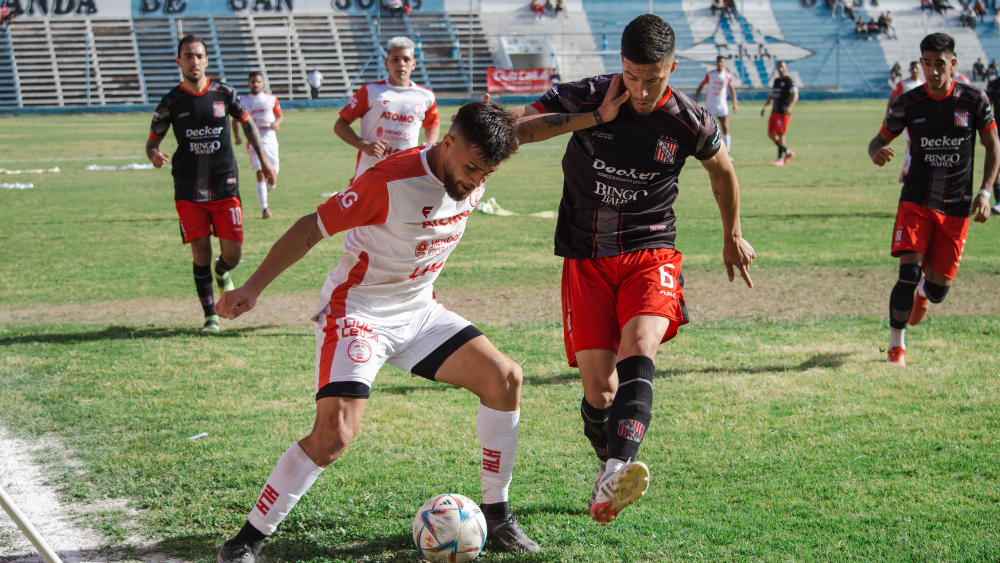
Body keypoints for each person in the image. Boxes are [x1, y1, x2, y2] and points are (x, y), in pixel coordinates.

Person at [213, 100, 540, 562]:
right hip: (358, 311)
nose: (475, 182)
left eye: (487, 173)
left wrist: (602, 114)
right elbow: (311, 228)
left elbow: (534, 126)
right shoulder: (389, 181)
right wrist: (252, 287)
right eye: (471, 168)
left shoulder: (474, 165)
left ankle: (499, 515)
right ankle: (246, 540)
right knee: (334, 437)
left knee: (505, 377)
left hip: (420, 311)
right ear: (447, 143)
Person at [509, 14, 755, 525]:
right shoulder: (588, 94)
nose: (642, 91)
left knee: (638, 349)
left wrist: (732, 235)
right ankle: (608, 466)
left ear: (673, 68)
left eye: (655, 78)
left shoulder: (690, 120)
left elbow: (723, 172)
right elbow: (517, 129)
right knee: (599, 393)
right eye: (634, 76)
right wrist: (595, 118)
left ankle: (619, 464)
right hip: (585, 255)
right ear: (621, 64)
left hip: (651, 250)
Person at [868, 33, 998, 367]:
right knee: (907, 274)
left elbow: (994, 145)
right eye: (927, 63)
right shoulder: (908, 103)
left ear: (953, 63)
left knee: (937, 291)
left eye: (940, 64)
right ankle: (896, 345)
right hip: (916, 201)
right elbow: (878, 138)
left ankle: (927, 293)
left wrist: (985, 192)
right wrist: (876, 152)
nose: (933, 71)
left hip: (956, 207)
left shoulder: (974, 100)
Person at [146, 35, 275, 333]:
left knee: (233, 255)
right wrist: (153, 154)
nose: (194, 61)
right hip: (188, 188)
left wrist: (265, 162)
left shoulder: (224, 93)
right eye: (188, 56)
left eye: (199, 56)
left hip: (225, 185)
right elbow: (152, 142)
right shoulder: (170, 102)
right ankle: (210, 316)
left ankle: (221, 272)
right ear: (179, 61)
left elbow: (247, 123)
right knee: (200, 253)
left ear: (207, 60)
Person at [335, 36, 440, 185]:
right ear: (386, 63)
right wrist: (364, 145)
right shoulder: (370, 90)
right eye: (395, 59)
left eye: (406, 59)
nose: (400, 64)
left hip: (405, 173)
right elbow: (340, 125)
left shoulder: (426, 96)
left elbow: (432, 124)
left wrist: (429, 143)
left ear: (414, 64)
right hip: (368, 172)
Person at [233, 71, 283, 219]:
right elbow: (235, 120)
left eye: (258, 82)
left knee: (273, 178)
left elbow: (279, 115)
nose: (255, 84)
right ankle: (265, 209)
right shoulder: (243, 101)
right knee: (260, 173)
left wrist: (276, 123)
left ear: (262, 83)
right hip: (254, 142)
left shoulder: (271, 99)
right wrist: (237, 136)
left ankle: (265, 194)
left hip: (271, 141)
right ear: (249, 83)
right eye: (253, 82)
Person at [888, 61, 924, 182]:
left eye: (917, 68)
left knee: (916, 146)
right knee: (911, 145)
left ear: (920, 70)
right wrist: (888, 114)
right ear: (909, 70)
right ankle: (904, 173)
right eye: (913, 68)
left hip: (921, 120)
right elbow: (893, 99)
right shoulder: (903, 84)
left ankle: (911, 171)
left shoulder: (923, 84)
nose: (915, 70)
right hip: (908, 120)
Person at [694, 55, 739, 152]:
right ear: (716, 63)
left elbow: (731, 89)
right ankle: (707, 150)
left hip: (722, 105)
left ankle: (727, 151)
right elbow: (701, 86)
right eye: (719, 61)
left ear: (724, 63)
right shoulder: (710, 74)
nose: (720, 63)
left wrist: (735, 103)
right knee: (707, 128)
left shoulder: (727, 75)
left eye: (722, 62)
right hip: (711, 105)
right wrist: (696, 98)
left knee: (725, 127)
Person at [761, 61, 798, 166]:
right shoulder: (776, 81)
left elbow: (795, 95)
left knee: (780, 133)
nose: (781, 69)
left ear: (786, 68)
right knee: (771, 134)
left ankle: (780, 158)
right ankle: (787, 152)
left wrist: (789, 107)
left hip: (783, 112)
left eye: (783, 67)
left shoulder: (789, 81)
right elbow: (772, 95)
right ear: (777, 69)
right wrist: (765, 107)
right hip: (774, 111)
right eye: (779, 67)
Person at [987, 74, 1000, 213]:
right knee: (998, 163)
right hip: (998, 129)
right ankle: (999, 201)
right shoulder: (994, 84)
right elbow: (988, 108)